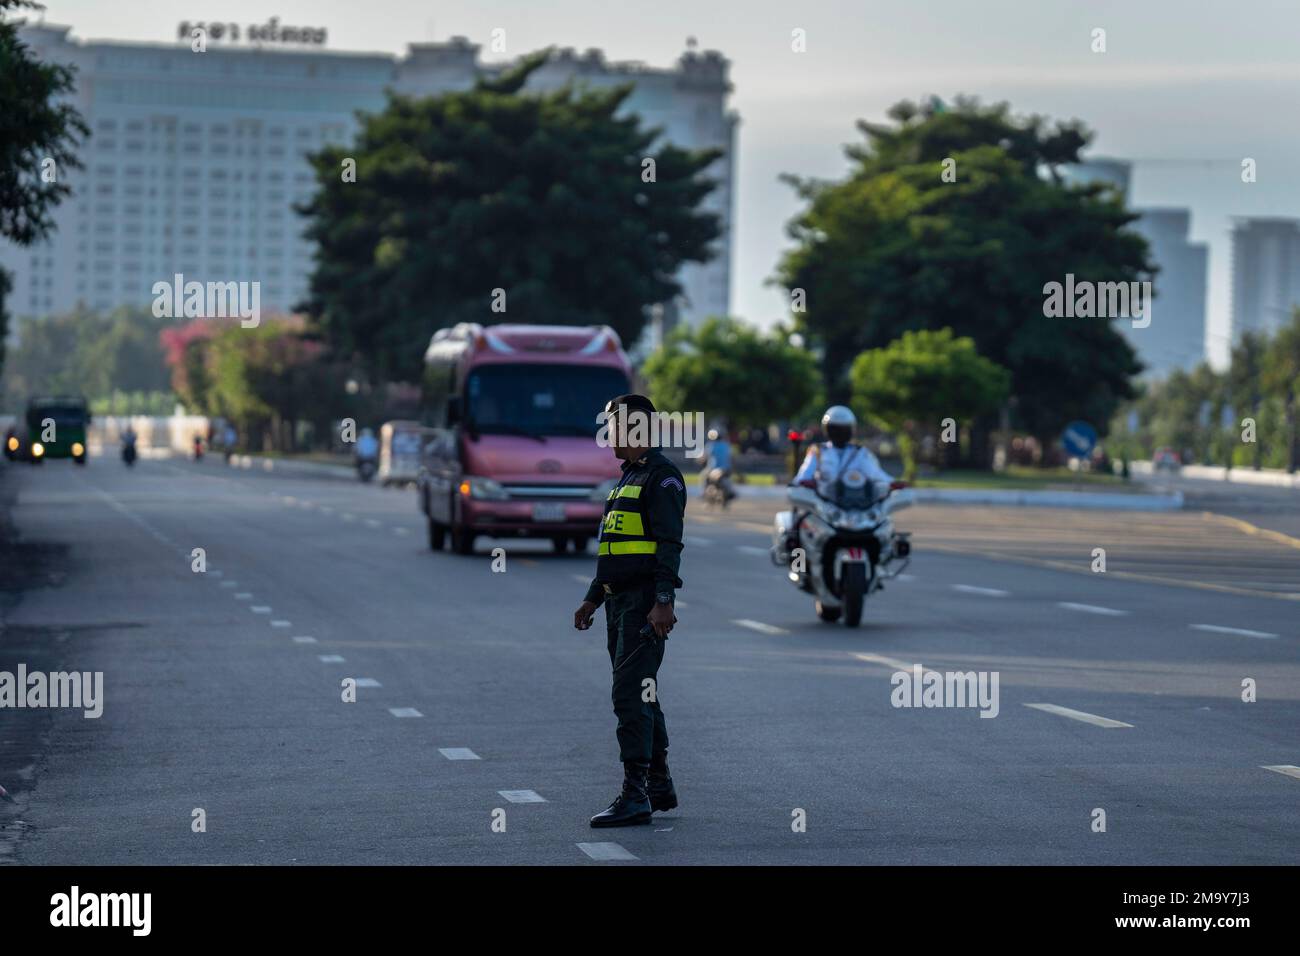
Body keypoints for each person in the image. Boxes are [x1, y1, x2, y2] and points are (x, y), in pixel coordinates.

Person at [573, 394, 687, 828]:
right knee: (643, 693)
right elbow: (615, 550)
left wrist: (663, 602)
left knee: (629, 695)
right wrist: (593, 597)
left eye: (614, 429)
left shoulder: (662, 479)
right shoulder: (628, 478)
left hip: (643, 606)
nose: (609, 437)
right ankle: (658, 785)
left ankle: (635, 794)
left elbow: (668, 545)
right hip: (619, 604)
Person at [782, 406, 894, 550]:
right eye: (836, 429)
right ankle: (798, 567)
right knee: (799, 533)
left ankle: (878, 566)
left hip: (855, 504)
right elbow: (805, 474)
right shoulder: (818, 451)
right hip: (824, 504)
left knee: (881, 526)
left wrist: (893, 484)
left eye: (844, 429)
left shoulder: (860, 453)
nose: (840, 433)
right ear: (827, 430)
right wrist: (799, 484)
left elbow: (877, 475)